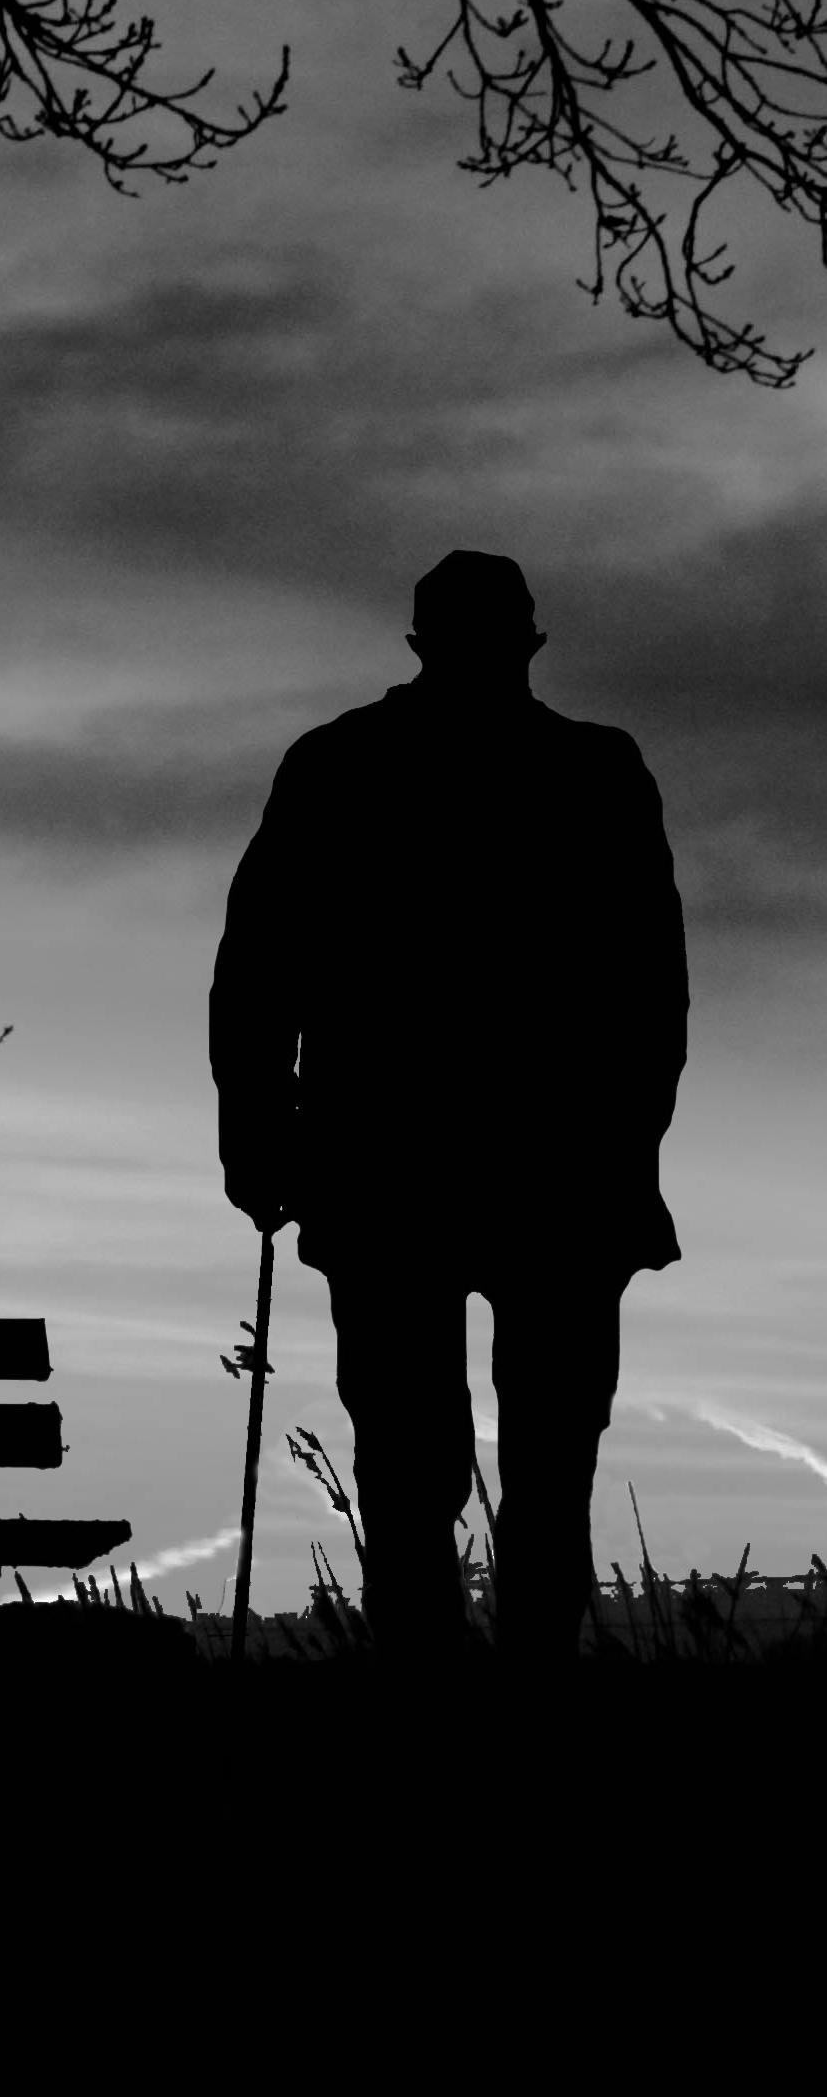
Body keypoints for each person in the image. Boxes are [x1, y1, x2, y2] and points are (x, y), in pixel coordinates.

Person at [208, 552, 688, 1676]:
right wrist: (626, 1143)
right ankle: (514, 1687)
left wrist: (256, 1131)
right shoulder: (592, 772)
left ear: (417, 644)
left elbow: (258, 970)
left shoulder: (339, 766)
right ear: (527, 642)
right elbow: (649, 990)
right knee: (535, 1458)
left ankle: (428, 1689)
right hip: (542, 1167)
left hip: (396, 1163)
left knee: (420, 1459)